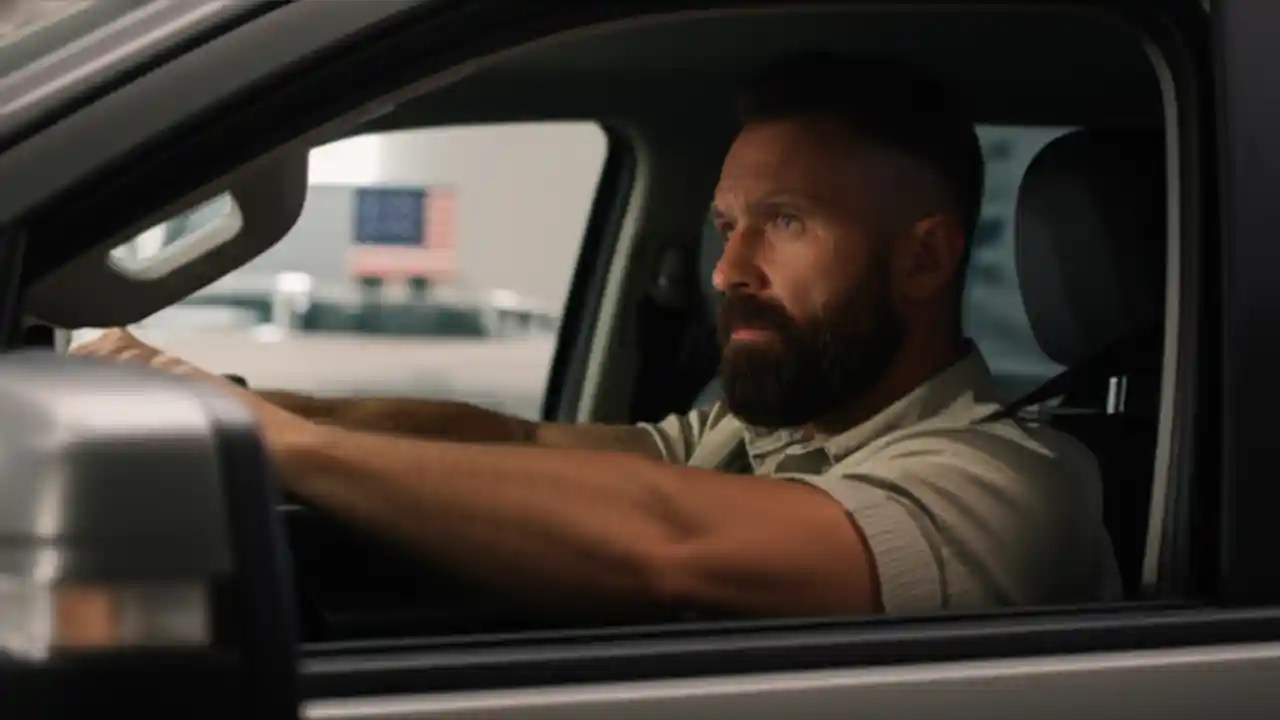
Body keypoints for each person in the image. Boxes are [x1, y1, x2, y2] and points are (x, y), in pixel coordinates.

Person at [73, 52, 1121, 620]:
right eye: (726, 227)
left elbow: (669, 543)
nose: (726, 271)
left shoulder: (1014, 483)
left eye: (786, 223)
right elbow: (517, 450)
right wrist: (224, 399)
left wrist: (272, 443)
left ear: (926, 259)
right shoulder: (758, 438)